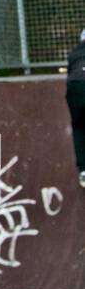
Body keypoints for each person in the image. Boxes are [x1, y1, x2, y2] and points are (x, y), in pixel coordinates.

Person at [66, 27, 85, 187]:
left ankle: (84, 171)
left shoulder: (74, 54)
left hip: (75, 89)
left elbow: (69, 77)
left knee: (78, 127)